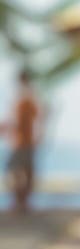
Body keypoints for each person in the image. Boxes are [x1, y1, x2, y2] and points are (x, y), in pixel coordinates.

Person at [1, 70, 42, 214]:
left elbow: (19, 121)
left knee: (17, 172)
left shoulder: (24, 98)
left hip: (21, 142)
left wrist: (5, 128)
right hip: (24, 142)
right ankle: (22, 203)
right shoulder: (28, 96)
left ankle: (21, 203)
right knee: (23, 172)